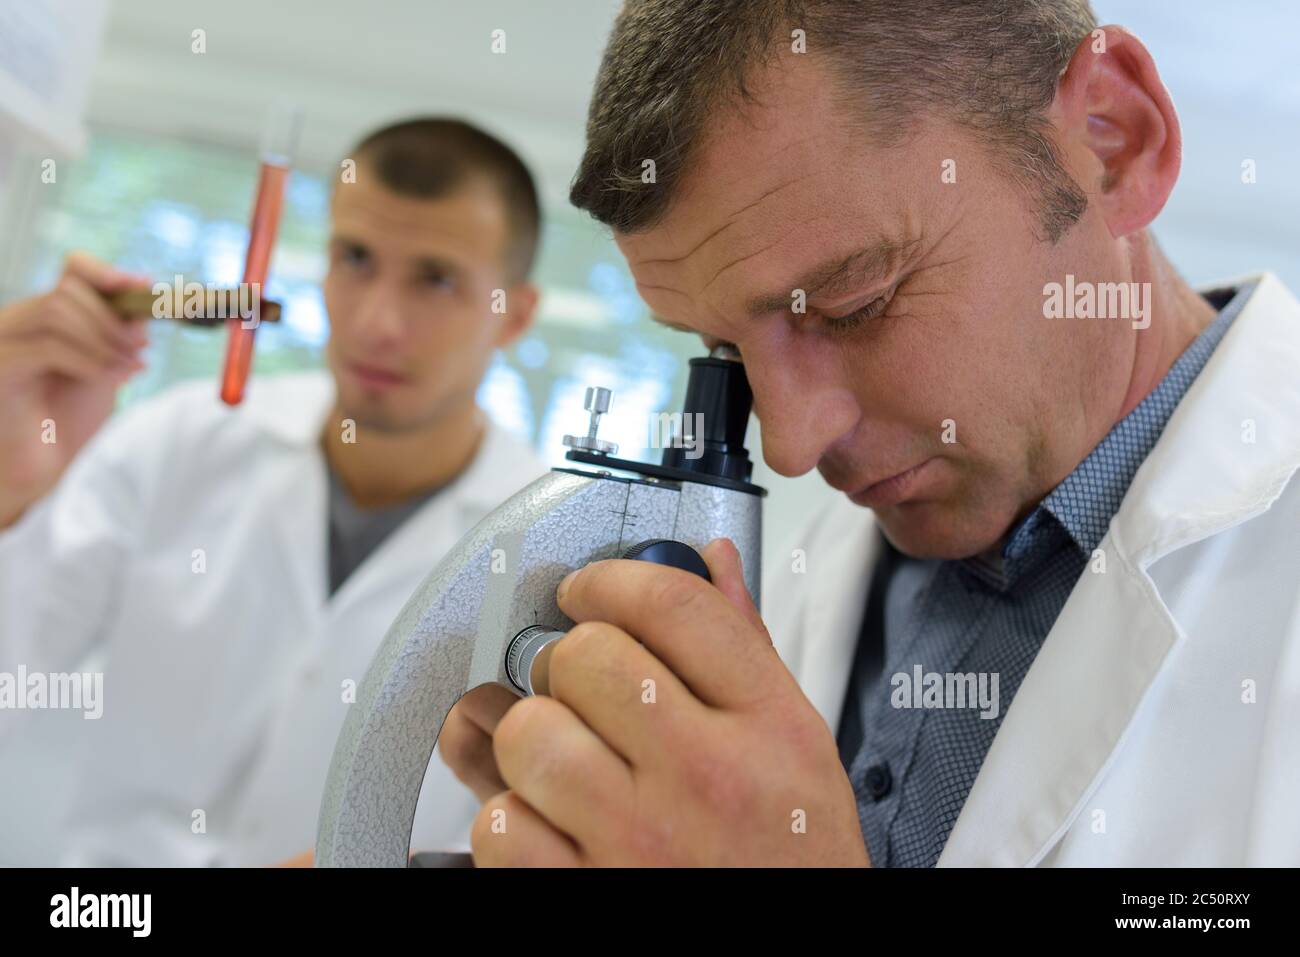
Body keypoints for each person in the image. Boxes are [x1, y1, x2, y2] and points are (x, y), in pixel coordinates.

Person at [439, 0, 1300, 866]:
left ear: (1113, 142)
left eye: (855, 306)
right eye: (726, 352)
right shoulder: (807, 570)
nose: (792, 445)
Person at [0, 118, 547, 866]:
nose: (377, 323)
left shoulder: (545, 552)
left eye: (437, 278)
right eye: (354, 258)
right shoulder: (174, 445)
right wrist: (11, 484)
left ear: (513, 315)